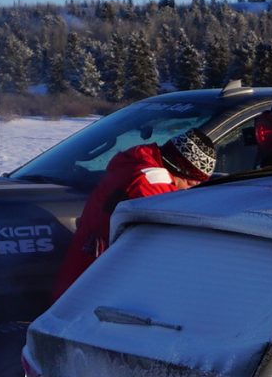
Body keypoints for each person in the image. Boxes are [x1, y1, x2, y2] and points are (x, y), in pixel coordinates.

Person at [51, 123, 219, 297]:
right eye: (190, 184)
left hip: (81, 276)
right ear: (178, 168)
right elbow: (162, 247)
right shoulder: (151, 187)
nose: (186, 191)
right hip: (98, 288)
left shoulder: (136, 161)